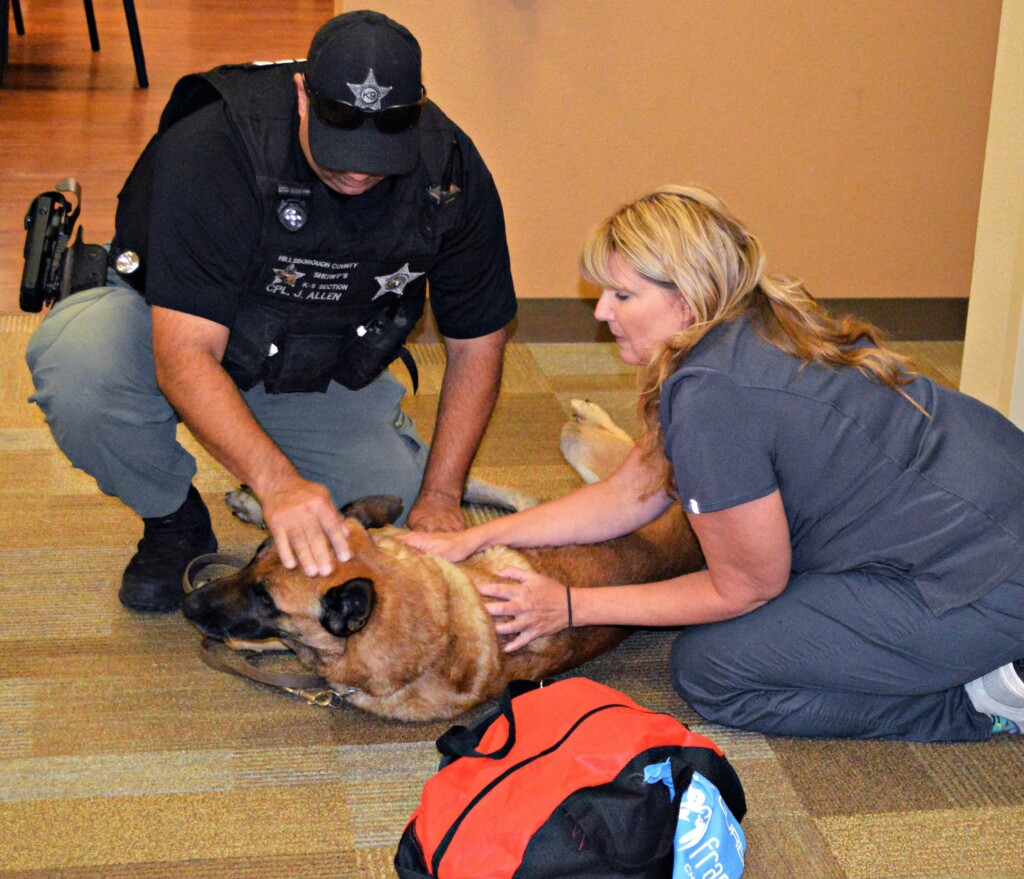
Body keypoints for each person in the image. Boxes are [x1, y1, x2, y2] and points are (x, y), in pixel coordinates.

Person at [402, 184, 1024, 743]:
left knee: (713, 670)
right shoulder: (753, 319)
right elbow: (628, 498)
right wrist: (479, 536)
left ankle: (979, 703)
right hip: (983, 516)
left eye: (623, 294)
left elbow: (747, 587)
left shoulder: (712, 397)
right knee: (757, 580)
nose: (599, 313)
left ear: (688, 299)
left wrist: (571, 606)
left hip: (983, 584)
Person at [25, 10, 517, 612]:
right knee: (79, 368)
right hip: (169, 333)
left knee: (394, 505)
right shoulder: (215, 146)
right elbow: (185, 356)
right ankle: (172, 524)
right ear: (303, 96)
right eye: (340, 149)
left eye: (379, 151)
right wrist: (279, 484)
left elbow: (478, 343)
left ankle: (293, 464)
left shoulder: (452, 171)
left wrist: (441, 496)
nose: (359, 170)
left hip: (306, 364)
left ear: (417, 108)